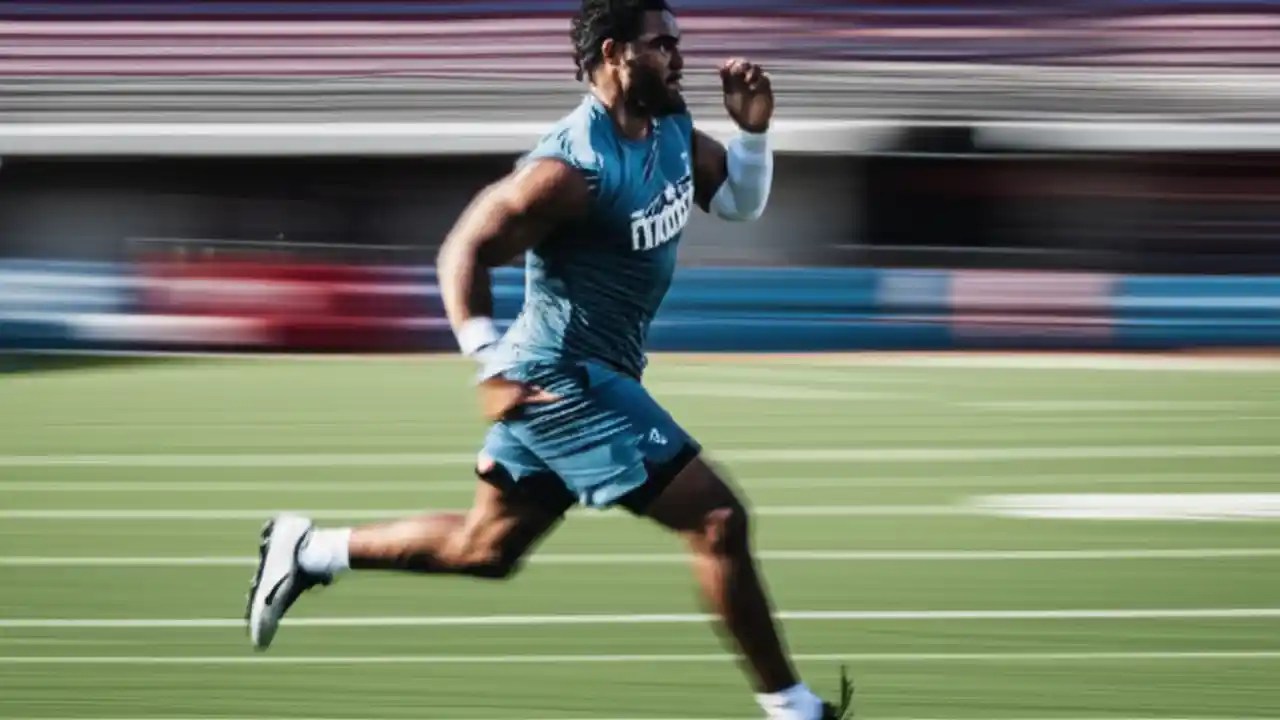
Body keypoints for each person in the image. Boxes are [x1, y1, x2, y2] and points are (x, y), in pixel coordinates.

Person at [246, 2, 852, 718]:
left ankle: (310, 550)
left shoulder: (673, 129)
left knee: (486, 550)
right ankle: (793, 709)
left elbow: (741, 204)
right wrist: (487, 364)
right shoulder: (570, 168)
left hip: (596, 373)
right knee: (718, 520)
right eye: (664, 45)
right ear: (615, 53)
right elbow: (462, 249)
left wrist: (754, 133)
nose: (680, 57)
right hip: (562, 382)